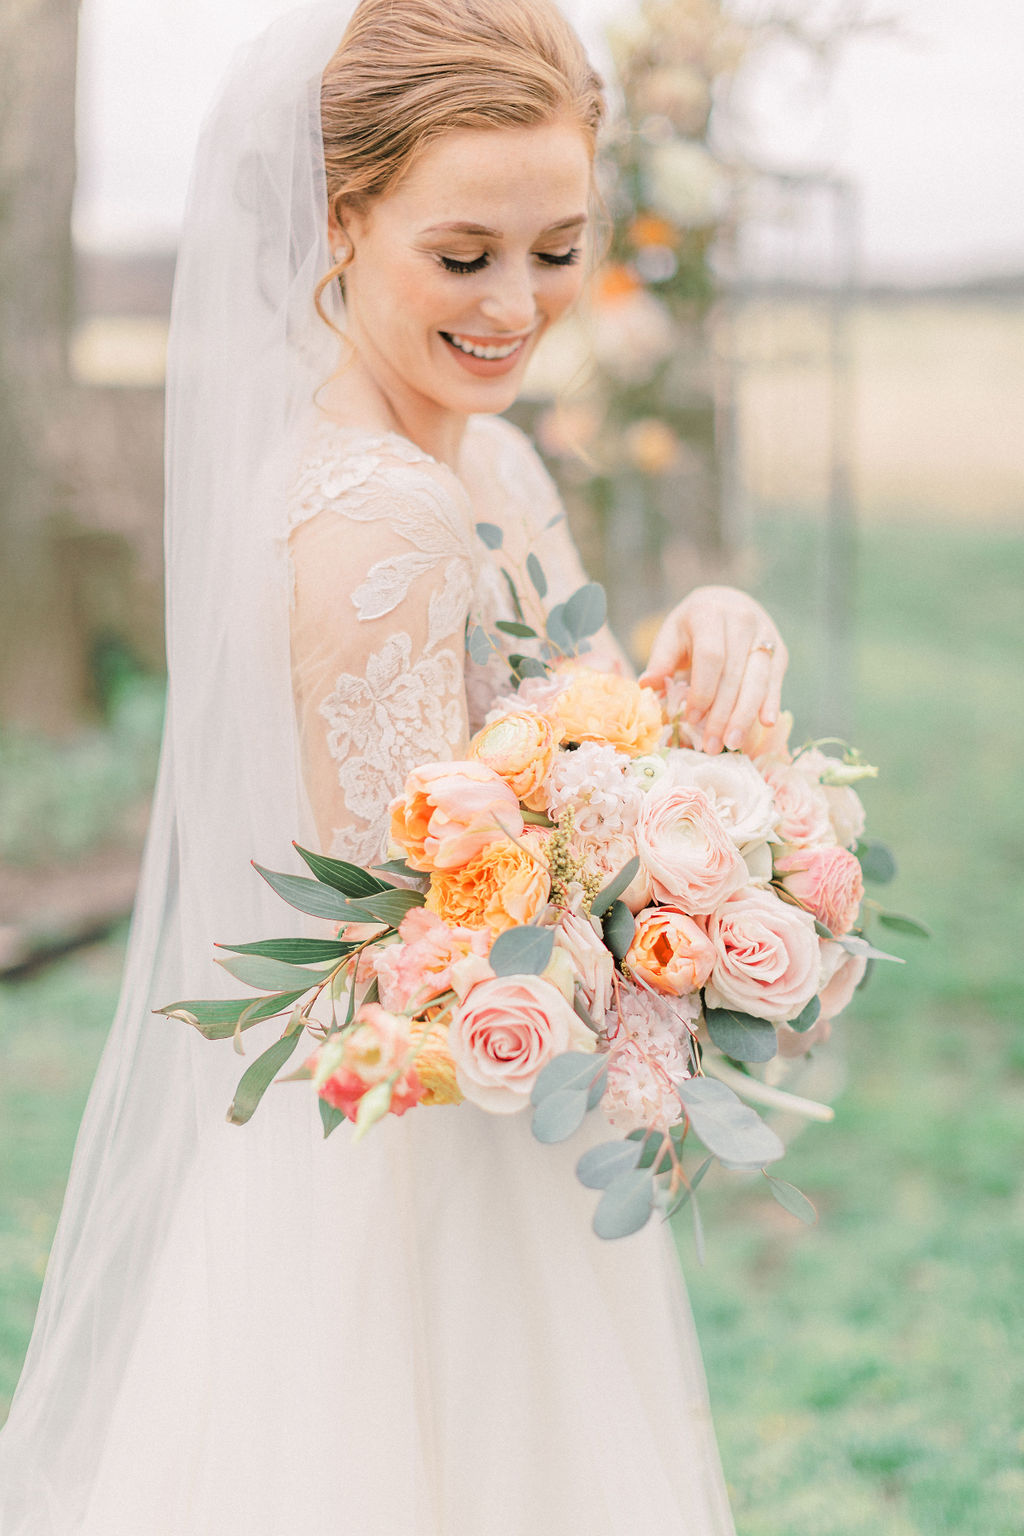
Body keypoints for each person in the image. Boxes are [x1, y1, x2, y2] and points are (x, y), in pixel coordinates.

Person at [0, 3, 786, 1531]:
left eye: (557, 249)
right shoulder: (378, 517)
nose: (517, 303)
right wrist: (665, 910)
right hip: (415, 1156)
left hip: (505, 1106)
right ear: (343, 220)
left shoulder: (485, 455)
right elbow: (414, 933)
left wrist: (706, 677)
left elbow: (567, 741)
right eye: (464, 254)